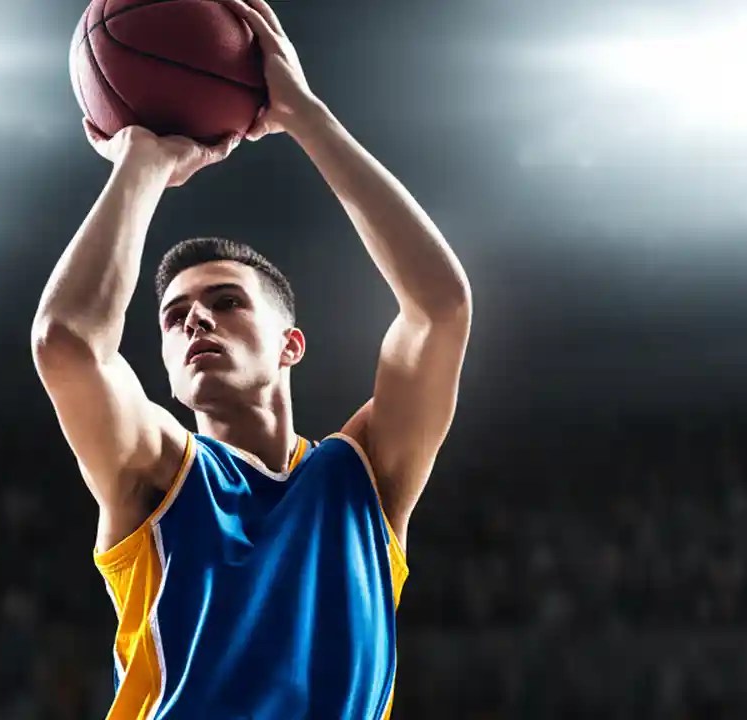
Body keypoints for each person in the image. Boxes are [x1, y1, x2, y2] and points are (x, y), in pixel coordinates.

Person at [30, 1, 472, 717]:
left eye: (228, 302)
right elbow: (67, 343)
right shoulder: (156, 473)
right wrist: (143, 161)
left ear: (290, 344)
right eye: (174, 317)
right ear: (167, 371)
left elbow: (442, 308)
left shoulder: (364, 475)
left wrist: (307, 116)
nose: (196, 318)